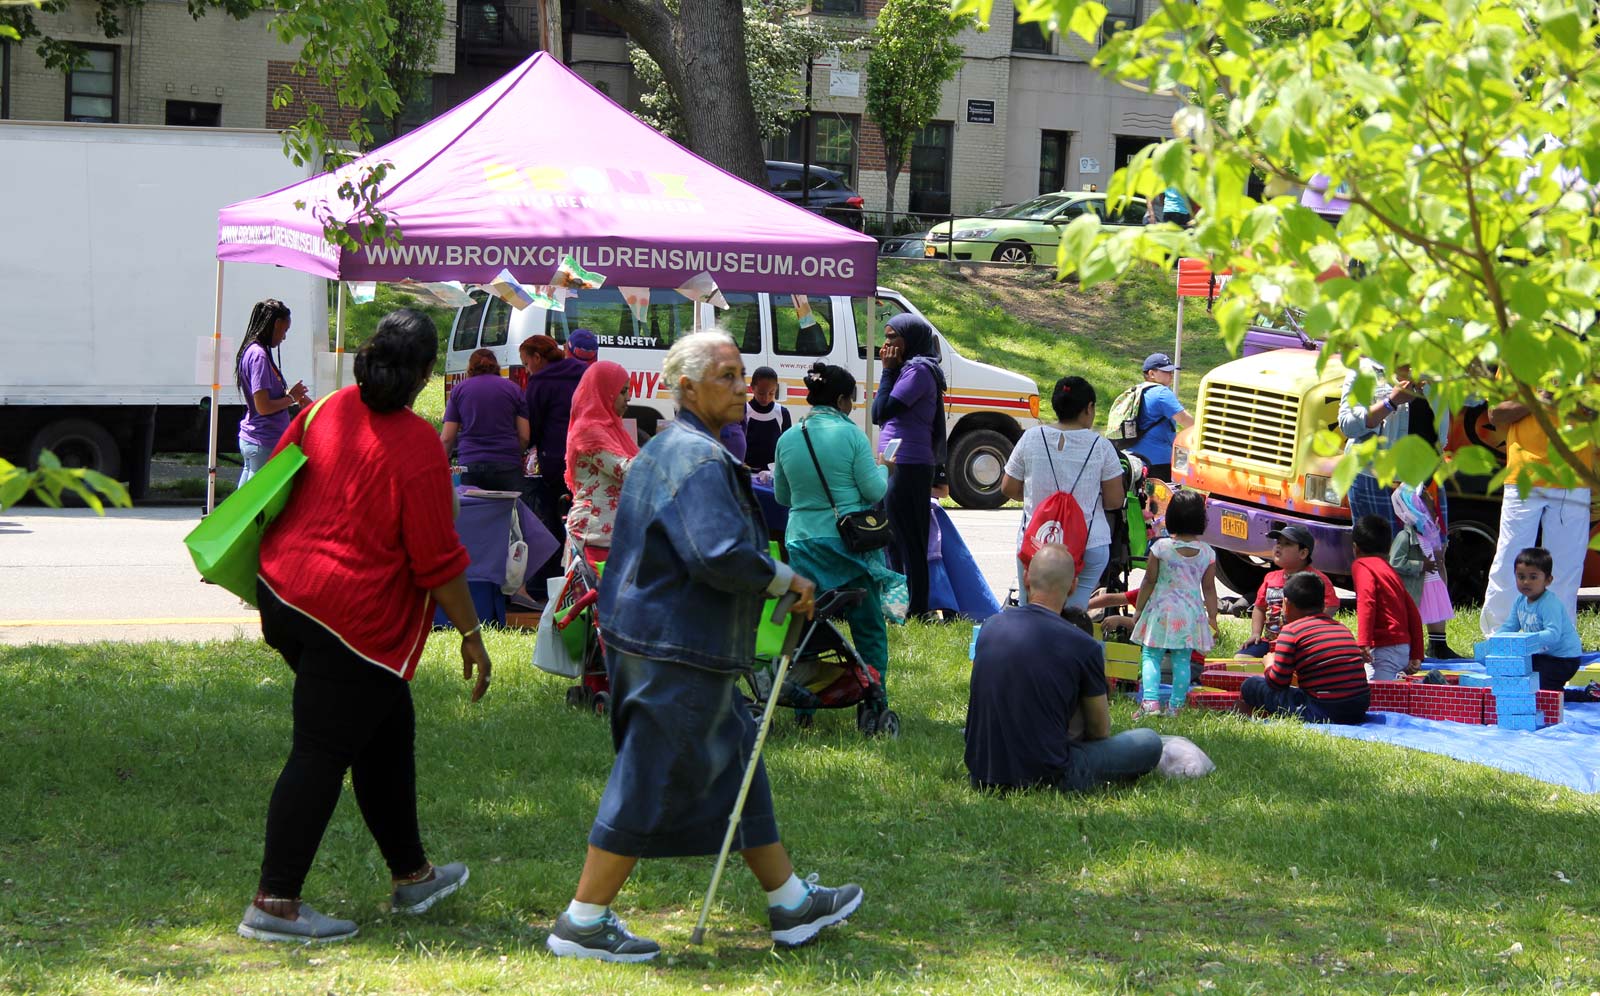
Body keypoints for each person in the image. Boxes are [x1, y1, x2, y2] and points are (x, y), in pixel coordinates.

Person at [546, 332, 861, 963]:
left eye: (743, 375)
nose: (744, 387)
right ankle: (583, 920)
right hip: (675, 647)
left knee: (739, 768)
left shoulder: (671, 447)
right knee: (645, 778)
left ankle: (790, 903)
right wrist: (786, 579)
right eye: (727, 376)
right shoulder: (695, 458)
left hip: (665, 640)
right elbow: (716, 552)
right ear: (686, 387)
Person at [240, 309, 490, 944]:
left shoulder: (324, 410)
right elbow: (437, 562)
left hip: (284, 595)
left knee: (386, 727)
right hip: (349, 621)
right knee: (322, 750)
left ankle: (414, 877)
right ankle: (275, 902)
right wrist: (471, 634)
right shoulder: (419, 449)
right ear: (427, 375)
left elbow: (278, 479)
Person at [965, 544, 1164, 792]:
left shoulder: (991, 627)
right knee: (1150, 742)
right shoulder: (1084, 646)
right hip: (1049, 774)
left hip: (982, 772)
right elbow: (1099, 730)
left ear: (1026, 577)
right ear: (1073, 586)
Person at [773, 362, 907, 721]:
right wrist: (884, 466)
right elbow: (875, 490)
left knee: (808, 627)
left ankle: (804, 704)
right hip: (848, 544)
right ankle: (875, 701)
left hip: (802, 543)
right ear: (842, 399)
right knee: (868, 626)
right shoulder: (851, 436)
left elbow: (782, 496)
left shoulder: (788, 438)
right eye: (852, 399)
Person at [1000, 375, 1124, 610]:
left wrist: (1037, 500)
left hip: (1037, 541)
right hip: (1088, 543)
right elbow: (1114, 500)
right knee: (1074, 613)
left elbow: (1008, 487)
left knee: (1032, 608)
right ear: (1088, 408)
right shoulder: (1101, 447)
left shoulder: (1031, 438)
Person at [1479, 392, 1593, 634]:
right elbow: (1495, 414)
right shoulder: (1516, 354)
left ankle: (1558, 638)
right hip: (1524, 474)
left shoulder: (1588, 356)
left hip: (1574, 475)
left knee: (1565, 567)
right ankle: (1498, 636)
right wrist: (1540, 398)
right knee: (1509, 559)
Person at [872, 313, 947, 619]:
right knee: (892, 537)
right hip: (895, 462)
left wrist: (887, 372)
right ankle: (898, 604)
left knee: (910, 539)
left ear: (910, 340)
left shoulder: (918, 371)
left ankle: (916, 609)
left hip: (909, 464)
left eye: (892, 338)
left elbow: (882, 411)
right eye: (885, 337)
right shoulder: (908, 369)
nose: (886, 344)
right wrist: (890, 372)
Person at [1129, 490, 1218, 716]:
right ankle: (1176, 706)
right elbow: (1209, 588)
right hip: (1190, 612)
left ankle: (1150, 702)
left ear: (1171, 517)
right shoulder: (1207, 553)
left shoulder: (1161, 548)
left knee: (1151, 655)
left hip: (1160, 609)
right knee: (1182, 659)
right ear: (1201, 520)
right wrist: (1213, 617)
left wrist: (1139, 609)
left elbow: (1149, 580)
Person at [1239, 573, 1369, 724]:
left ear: (1286, 604)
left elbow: (1277, 683)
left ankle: (1246, 715)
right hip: (1358, 708)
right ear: (1323, 604)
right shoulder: (1341, 628)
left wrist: (1269, 664)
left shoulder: (1291, 631)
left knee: (1251, 685)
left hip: (1322, 710)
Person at [563, 360, 638, 566]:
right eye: (622, 391)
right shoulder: (589, 431)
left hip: (610, 535)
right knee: (595, 598)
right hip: (593, 536)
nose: (628, 398)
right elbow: (627, 470)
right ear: (605, 391)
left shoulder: (612, 429)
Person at [521, 334, 588, 559]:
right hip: (588, 453)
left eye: (526, 363)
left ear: (537, 358)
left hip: (556, 458)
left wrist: (525, 445)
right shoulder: (582, 371)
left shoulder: (540, 382)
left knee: (556, 516)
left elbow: (532, 425)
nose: (527, 369)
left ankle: (559, 569)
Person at [234, 298, 309, 486]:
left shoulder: (252, 351)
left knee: (245, 502)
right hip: (264, 440)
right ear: (276, 324)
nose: (284, 337)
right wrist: (291, 398)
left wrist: (291, 395)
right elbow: (264, 407)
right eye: (285, 330)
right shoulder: (259, 355)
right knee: (254, 504)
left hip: (255, 439)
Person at [1337, 359, 1416, 534]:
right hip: (1372, 477)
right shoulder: (1364, 371)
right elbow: (1347, 425)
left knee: (1427, 554)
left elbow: (1473, 400)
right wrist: (1390, 402)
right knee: (1377, 552)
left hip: (1422, 480)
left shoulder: (1435, 370)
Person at [1495, 547, 1587, 694]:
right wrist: (1495, 640)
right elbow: (1510, 626)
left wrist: (1523, 638)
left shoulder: (1549, 603)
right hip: (1542, 656)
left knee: (1540, 690)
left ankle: (1581, 694)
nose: (1526, 582)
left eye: (1533, 577)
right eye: (1520, 576)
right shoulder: (1520, 601)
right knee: (1517, 674)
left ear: (1548, 580)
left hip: (1564, 659)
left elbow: (1553, 635)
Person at [1240, 524, 1341, 658]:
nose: (1279, 546)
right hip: (1270, 642)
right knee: (1242, 659)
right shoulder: (1271, 578)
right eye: (1278, 542)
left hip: (1302, 644)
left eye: (1287, 544)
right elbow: (1259, 608)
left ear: (1303, 553)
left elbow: (1332, 605)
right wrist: (1256, 633)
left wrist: (1312, 629)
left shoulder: (1315, 579)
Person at [440, 348, 529, 493]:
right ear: (496, 367)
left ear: (470, 368)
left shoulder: (459, 391)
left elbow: (447, 438)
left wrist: (442, 467)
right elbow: (524, 436)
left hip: (470, 464)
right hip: (507, 465)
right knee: (512, 513)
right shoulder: (514, 390)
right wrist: (512, 454)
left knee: (474, 513)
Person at [1390, 485, 1462, 659]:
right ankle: (1409, 649)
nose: (1434, 512)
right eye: (1429, 508)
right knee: (1413, 617)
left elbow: (1436, 557)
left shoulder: (1428, 535)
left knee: (1432, 611)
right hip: (1418, 584)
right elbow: (1395, 562)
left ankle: (1437, 645)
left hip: (1431, 582)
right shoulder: (1405, 537)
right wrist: (1421, 566)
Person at [1350, 515, 1424, 682]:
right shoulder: (1390, 571)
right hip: (1402, 647)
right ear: (1389, 547)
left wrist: (1363, 641)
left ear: (1356, 548)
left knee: (1377, 698)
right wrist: (1417, 653)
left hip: (1384, 647)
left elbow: (1366, 601)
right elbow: (1413, 612)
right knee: (1389, 693)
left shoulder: (1361, 565)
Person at [1126, 354, 1193, 481]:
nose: (1171, 374)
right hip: (1159, 462)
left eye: (1171, 371)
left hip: (1134, 458)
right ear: (1151, 373)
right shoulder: (1162, 393)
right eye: (1166, 371)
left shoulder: (1137, 390)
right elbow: (1184, 419)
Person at [743, 366, 793, 473]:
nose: (766, 398)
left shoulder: (782, 413)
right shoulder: (744, 411)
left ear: (776, 389)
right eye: (761, 393)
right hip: (748, 473)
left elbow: (788, 447)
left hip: (774, 474)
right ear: (752, 387)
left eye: (771, 393)